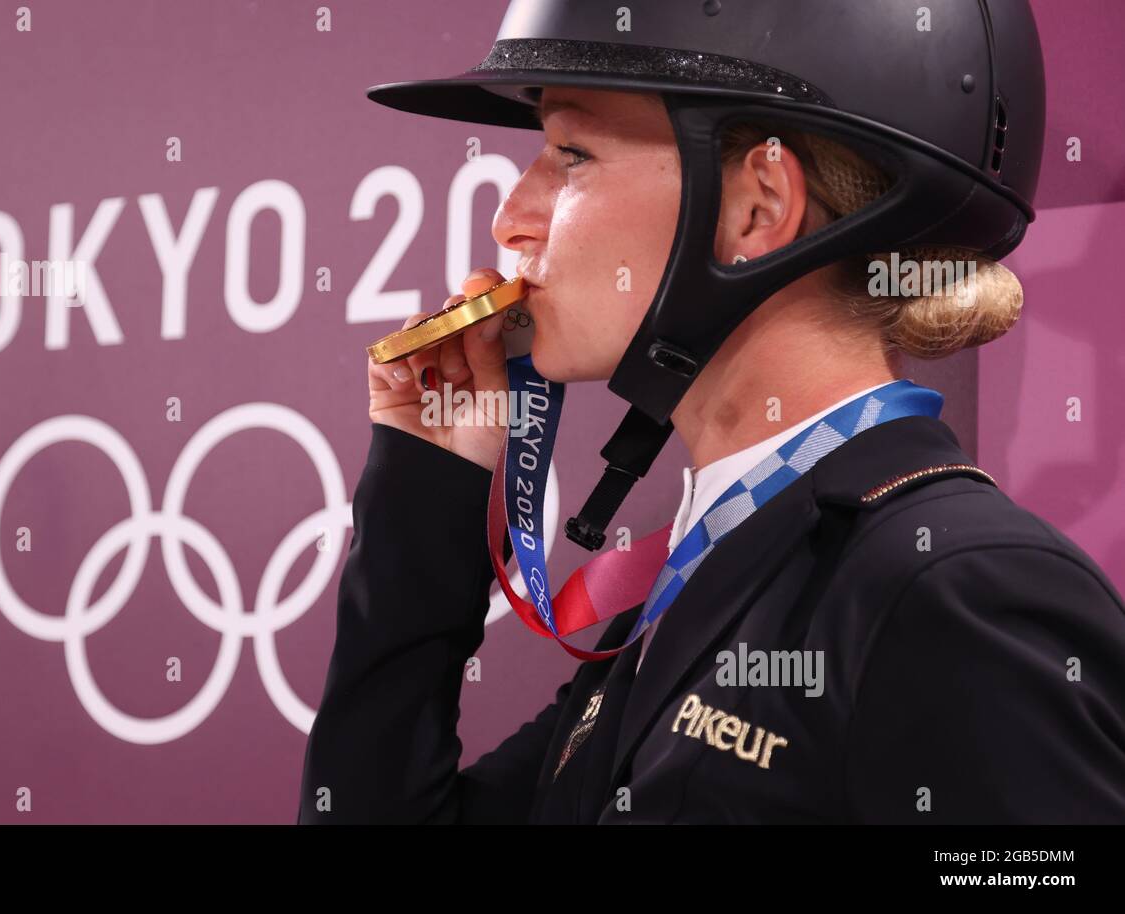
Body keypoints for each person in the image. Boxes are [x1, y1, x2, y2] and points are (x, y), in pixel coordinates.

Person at [298, 0, 1125, 823]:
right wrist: (428, 484)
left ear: (756, 208)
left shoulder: (960, 591)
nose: (510, 217)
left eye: (571, 153)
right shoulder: (704, 582)